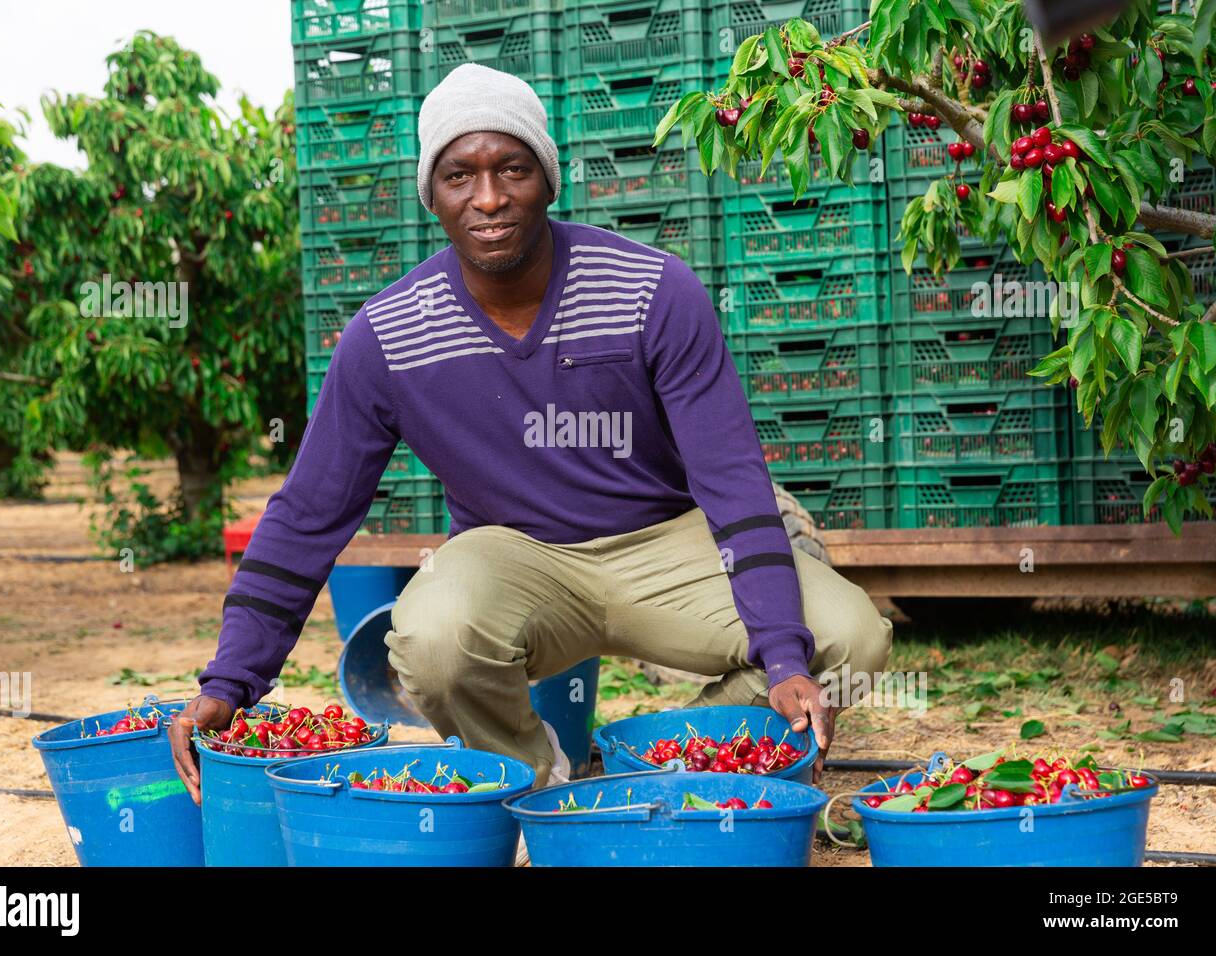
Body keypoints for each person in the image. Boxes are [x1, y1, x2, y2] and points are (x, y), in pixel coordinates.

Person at [169, 63, 892, 802]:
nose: (488, 198)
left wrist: (781, 651)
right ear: (432, 195)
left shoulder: (651, 289)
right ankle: (536, 787)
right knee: (432, 635)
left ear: (548, 178)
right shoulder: (386, 336)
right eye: (459, 176)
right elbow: (308, 512)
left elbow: (730, 471)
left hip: (671, 541)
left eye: (511, 168)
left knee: (851, 638)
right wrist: (232, 679)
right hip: (517, 559)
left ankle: (663, 765)